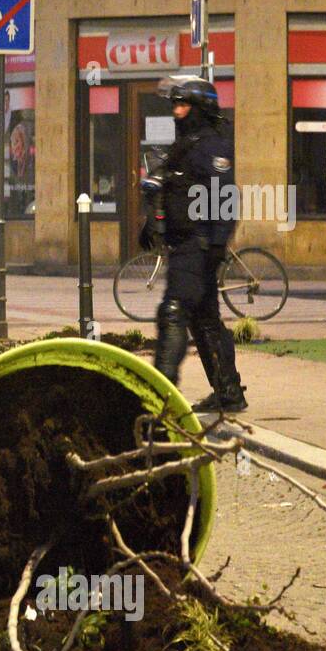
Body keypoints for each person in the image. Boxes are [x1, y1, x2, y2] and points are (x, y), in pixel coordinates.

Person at [140, 75, 246, 414]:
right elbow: (170, 189)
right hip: (183, 243)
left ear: (200, 108)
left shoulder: (211, 145)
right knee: (205, 320)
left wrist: (217, 244)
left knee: (173, 311)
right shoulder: (184, 145)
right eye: (174, 105)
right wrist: (151, 225)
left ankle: (159, 396)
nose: (177, 111)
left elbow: (226, 195)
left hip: (197, 246)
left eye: (184, 104)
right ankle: (228, 392)